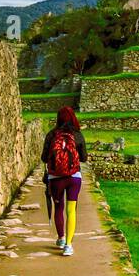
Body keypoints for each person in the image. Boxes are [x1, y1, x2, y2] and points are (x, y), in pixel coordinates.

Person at [42, 106, 87, 256]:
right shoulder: (77, 135)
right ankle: (68, 245)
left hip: (56, 179)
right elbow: (84, 158)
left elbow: (43, 157)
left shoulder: (52, 135)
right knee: (71, 209)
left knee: (59, 208)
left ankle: (61, 238)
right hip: (74, 177)